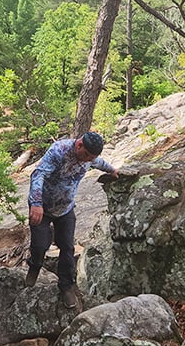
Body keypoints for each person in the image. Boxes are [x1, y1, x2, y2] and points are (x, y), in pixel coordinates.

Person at [26, 131, 118, 308]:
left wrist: (112, 170)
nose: (87, 160)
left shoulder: (90, 158)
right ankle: (35, 266)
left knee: (67, 247)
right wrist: (36, 203)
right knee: (39, 245)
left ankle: (66, 286)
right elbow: (38, 175)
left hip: (65, 209)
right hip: (42, 207)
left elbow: (99, 163)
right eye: (85, 155)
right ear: (79, 145)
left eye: (90, 158)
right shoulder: (58, 151)